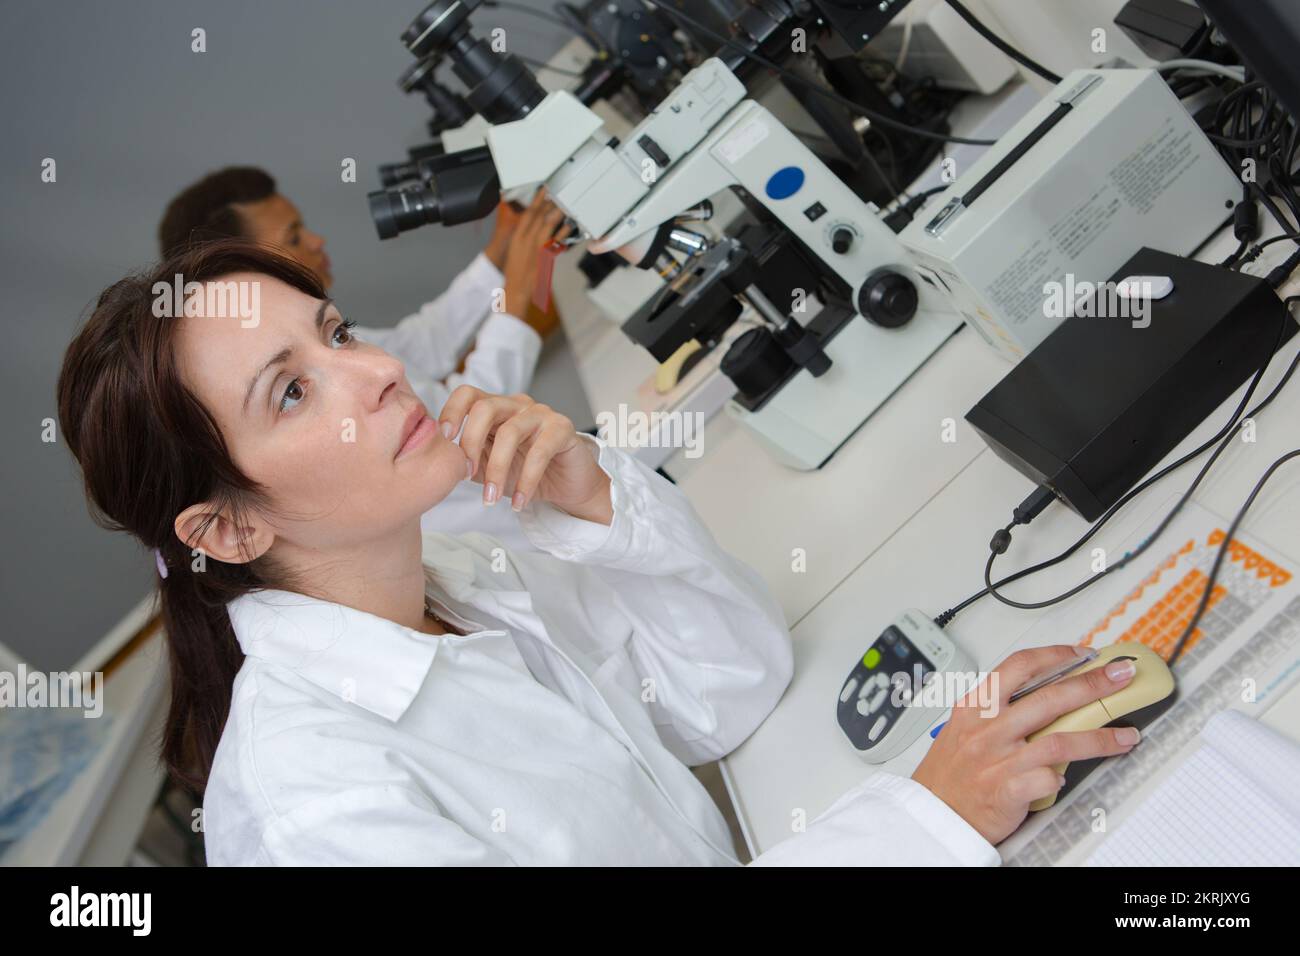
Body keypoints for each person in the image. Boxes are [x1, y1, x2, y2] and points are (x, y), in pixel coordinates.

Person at [57, 239, 1142, 866]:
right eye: (292, 390)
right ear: (230, 528)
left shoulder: (458, 583)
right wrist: (928, 816)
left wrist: (594, 497)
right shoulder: (314, 806)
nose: (378, 371)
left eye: (336, 333)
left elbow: (726, 694)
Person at [157, 165, 568, 549]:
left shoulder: (316, 349)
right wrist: (520, 291)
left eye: (340, 335)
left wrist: (500, 252)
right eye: (295, 238)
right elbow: (466, 427)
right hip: (525, 534)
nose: (387, 370)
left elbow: (422, 342)